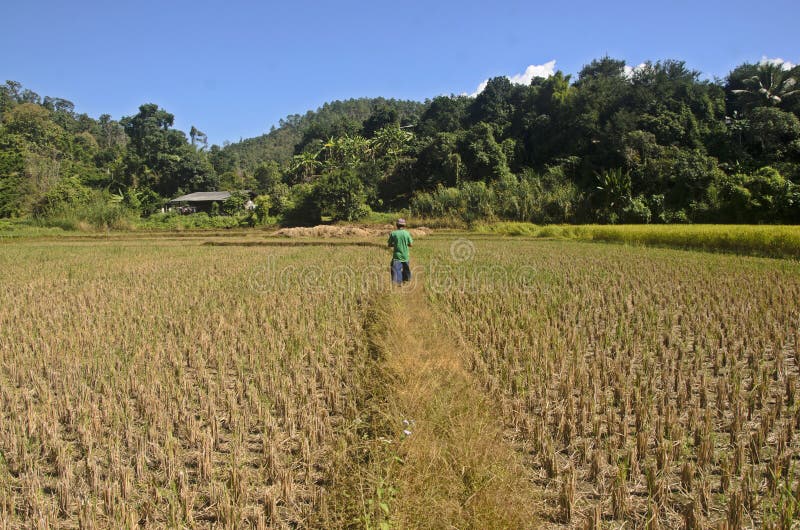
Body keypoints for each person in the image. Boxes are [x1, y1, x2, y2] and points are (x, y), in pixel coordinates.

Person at [388, 218, 413, 285]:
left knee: (396, 270)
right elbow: (411, 244)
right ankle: (406, 280)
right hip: (405, 255)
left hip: (397, 256)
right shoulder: (407, 233)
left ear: (397, 225)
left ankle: (398, 283)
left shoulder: (393, 233)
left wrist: (395, 244)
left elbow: (389, 244)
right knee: (406, 269)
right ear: (404, 225)